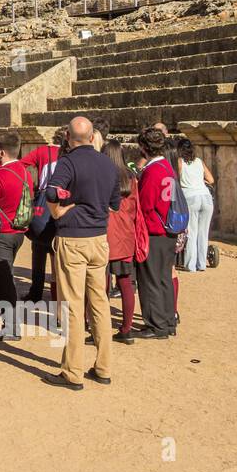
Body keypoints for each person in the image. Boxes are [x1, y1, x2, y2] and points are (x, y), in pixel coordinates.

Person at [43, 117, 121, 389]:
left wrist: (58, 211)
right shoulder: (108, 163)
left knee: (73, 306)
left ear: (67, 137)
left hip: (73, 238)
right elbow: (115, 204)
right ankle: (103, 366)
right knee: (99, 302)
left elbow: (51, 192)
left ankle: (72, 372)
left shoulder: (67, 162)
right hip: (99, 239)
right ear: (91, 136)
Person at [0, 131, 33, 346]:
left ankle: (9, 326)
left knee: (1, 281)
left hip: (2, 233)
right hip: (18, 232)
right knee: (4, 277)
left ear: (0, 152)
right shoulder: (25, 172)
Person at [136, 126, 179, 339]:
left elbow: (145, 204)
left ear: (144, 148)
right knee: (163, 278)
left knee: (151, 279)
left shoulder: (153, 171)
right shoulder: (167, 167)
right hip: (167, 231)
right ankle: (168, 320)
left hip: (154, 230)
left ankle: (156, 325)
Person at [103, 140, 147, 345]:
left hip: (105, 233)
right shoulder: (131, 178)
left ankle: (98, 327)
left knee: (100, 285)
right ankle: (126, 328)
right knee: (125, 283)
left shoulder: (103, 176)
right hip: (125, 235)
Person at [20, 126, 67, 302]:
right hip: (61, 205)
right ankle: (58, 295)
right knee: (58, 256)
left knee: (38, 252)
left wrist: (32, 185)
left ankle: (36, 292)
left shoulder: (43, 151)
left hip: (42, 204)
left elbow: (22, 164)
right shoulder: (69, 155)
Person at [178, 140, 215, 272]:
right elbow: (211, 180)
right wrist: (199, 181)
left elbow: (176, 179)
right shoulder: (199, 161)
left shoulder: (180, 162)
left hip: (190, 197)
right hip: (205, 197)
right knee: (203, 233)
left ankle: (190, 265)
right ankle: (201, 264)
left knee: (191, 232)